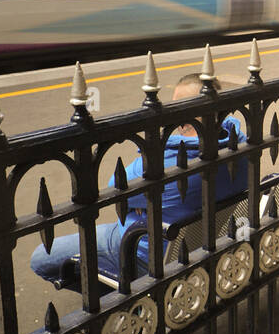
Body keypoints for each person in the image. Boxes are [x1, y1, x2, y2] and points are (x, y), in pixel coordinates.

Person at [30, 74, 248, 291]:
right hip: (199, 244)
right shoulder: (239, 144)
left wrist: (162, 150)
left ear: (188, 113)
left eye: (176, 106)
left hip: (142, 245)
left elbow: (116, 185)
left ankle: (120, 296)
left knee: (41, 258)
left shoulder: (170, 161)